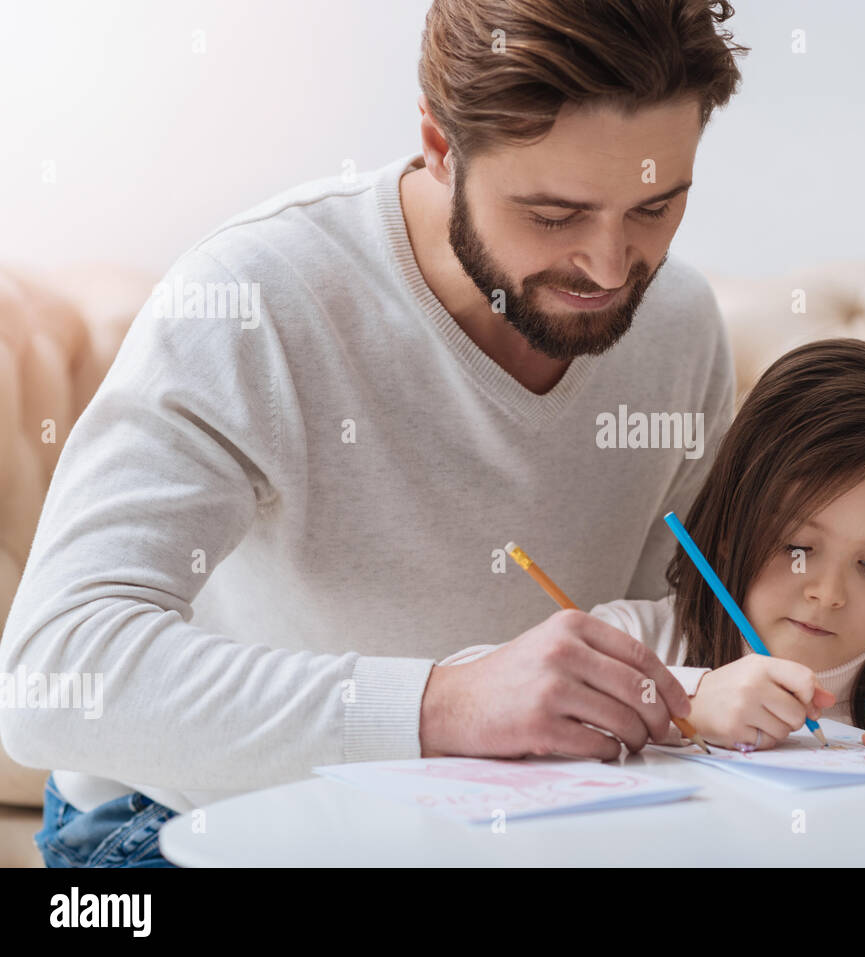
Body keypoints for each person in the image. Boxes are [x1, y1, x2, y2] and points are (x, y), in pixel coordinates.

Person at [0, 0, 749, 866]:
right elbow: (53, 678)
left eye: (656, 208)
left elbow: (693, 638)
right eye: (552, 215)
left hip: (496, 821)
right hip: (175, 818)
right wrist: (445, 705)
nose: (611, 268)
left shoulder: (678, 323)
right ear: (440, 145)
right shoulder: (257, 298)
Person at [443, 339, 865, 750]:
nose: (828, 593)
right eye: (796, 546)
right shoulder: (640, 641)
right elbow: (469, 689)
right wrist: (686, 698)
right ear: (732, 523)